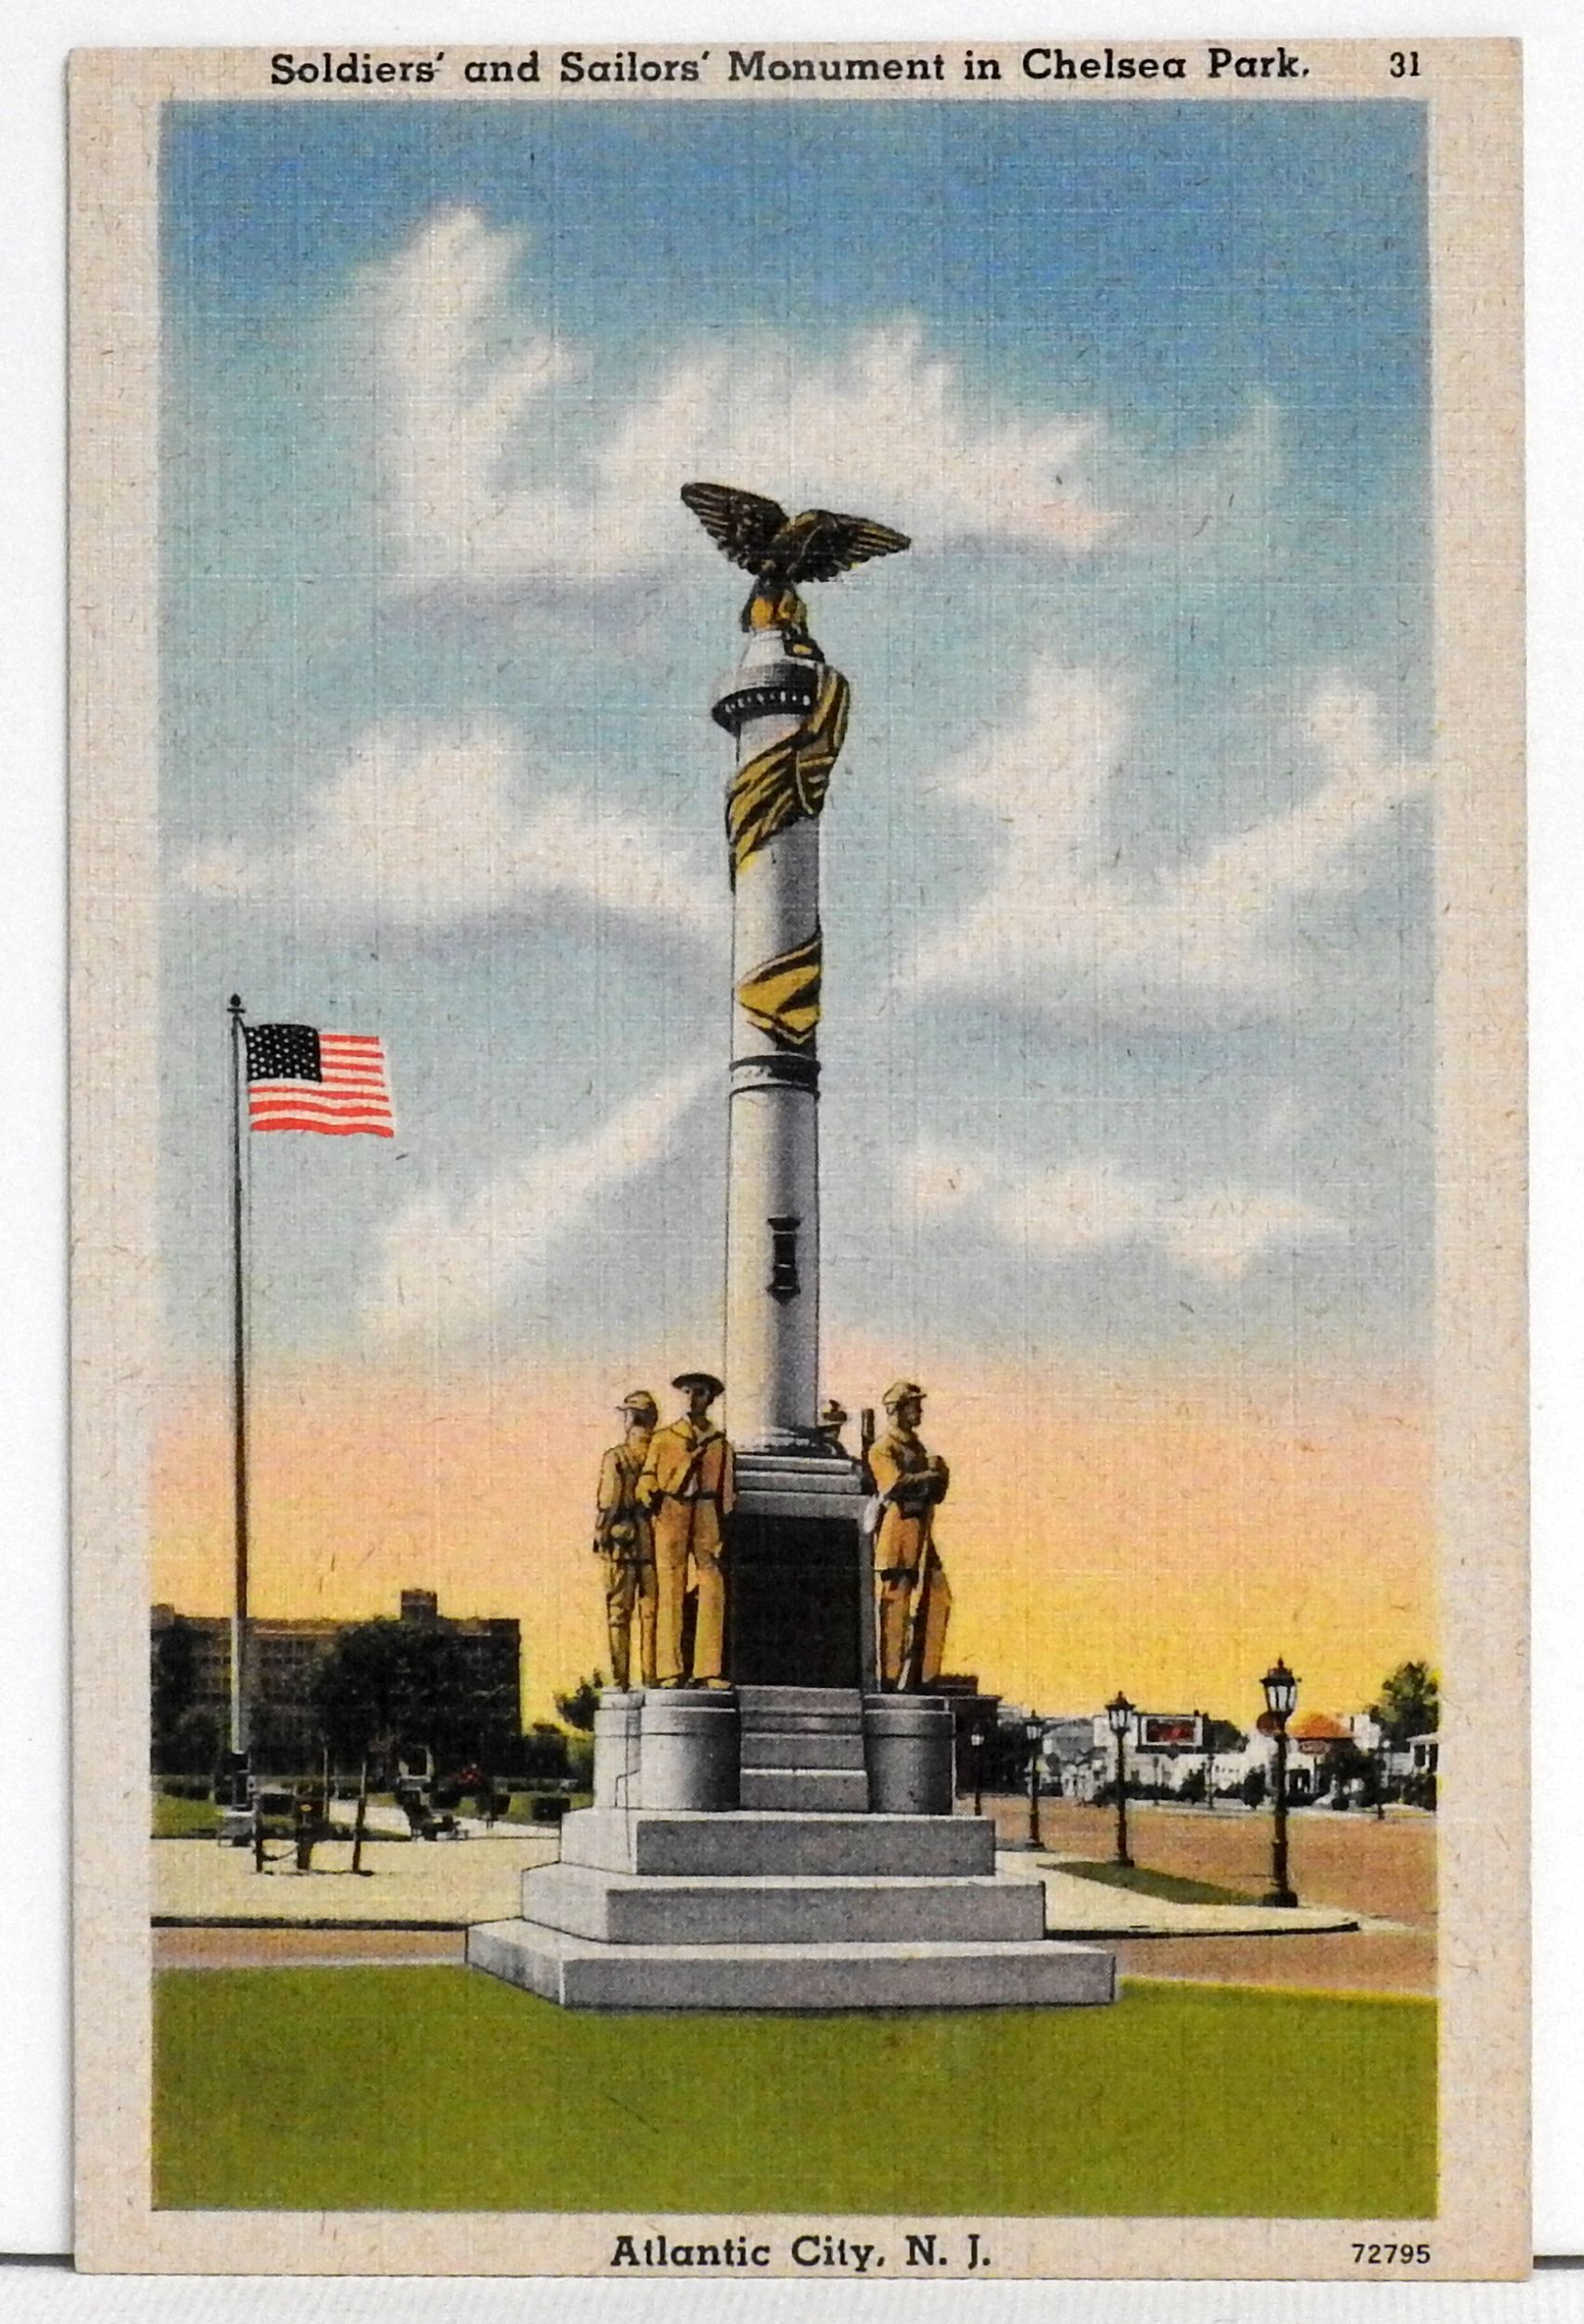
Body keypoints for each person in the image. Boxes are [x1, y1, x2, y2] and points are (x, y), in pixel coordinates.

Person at [639, 1372, 735, 1687]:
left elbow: (728, 1488)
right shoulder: (664, 1438)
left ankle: (708, 1670)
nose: (692, 1398)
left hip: (707, 1511)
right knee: (670, 1587)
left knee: (712, 1585)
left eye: (700, 1393)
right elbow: (647, 1478)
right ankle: (670, 1670)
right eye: (687, 1392)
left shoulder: (720, 1442)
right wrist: (650, 1493)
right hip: (672, 1510)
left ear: (710, 1399)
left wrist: (725, 1518)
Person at [868, 1380, 952, 1690]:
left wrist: (939, 1475)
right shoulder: (883, 1447)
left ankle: (924, 1676)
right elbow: (894, 1485)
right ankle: (890, 1679)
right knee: (896, 1606)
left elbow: (936, 1492)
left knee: (938, 1597)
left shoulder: (918, 1449)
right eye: (914, 1405)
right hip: (899, 1531)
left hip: (922, 1533)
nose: (920, 1411)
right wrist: (929, 1476)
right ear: (897, 1410)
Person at [594, 1390, 660, 1692]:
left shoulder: (616, 1457)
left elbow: (608, 1503)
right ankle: (651, 1676)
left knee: (619, 1614)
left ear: (632, 1418)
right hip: (656, 1542)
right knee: (652, 1613)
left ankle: (620, 1680)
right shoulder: (663, 1454)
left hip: (623, 1541)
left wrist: (600, 1534)